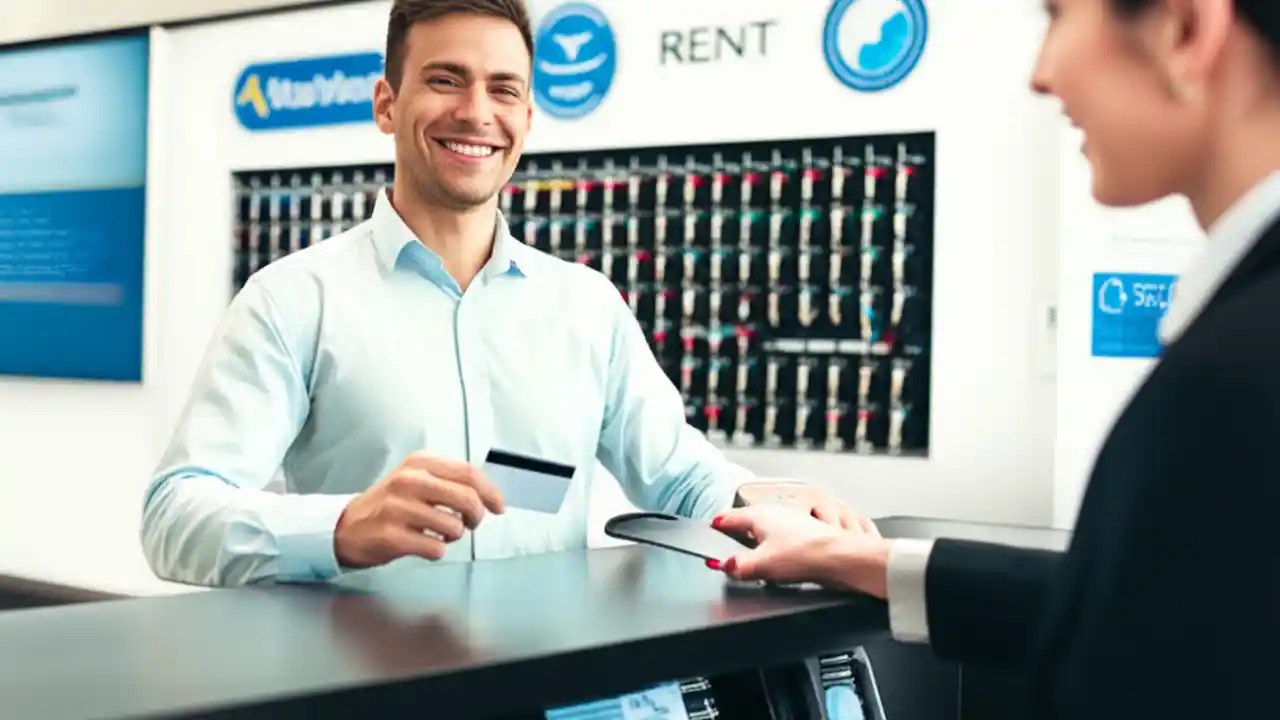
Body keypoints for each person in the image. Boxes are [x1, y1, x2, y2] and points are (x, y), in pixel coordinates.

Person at [140, 0, 859, 587]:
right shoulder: (294, 300)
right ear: (387, 105)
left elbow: (676, 475)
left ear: (527, 118)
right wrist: (341, 527)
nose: (478, 112)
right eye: (446, 80)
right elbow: (175, 516)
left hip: (560, 693)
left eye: (504, 88)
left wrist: (768, 503)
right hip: (382, 697)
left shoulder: (586, 305)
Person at [710, 1, 1280, 717]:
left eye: (1059, 16)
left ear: (1185, 30)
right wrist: (856, 559)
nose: (1042, 75)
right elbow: (1149, 602)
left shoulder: (1233, 375)